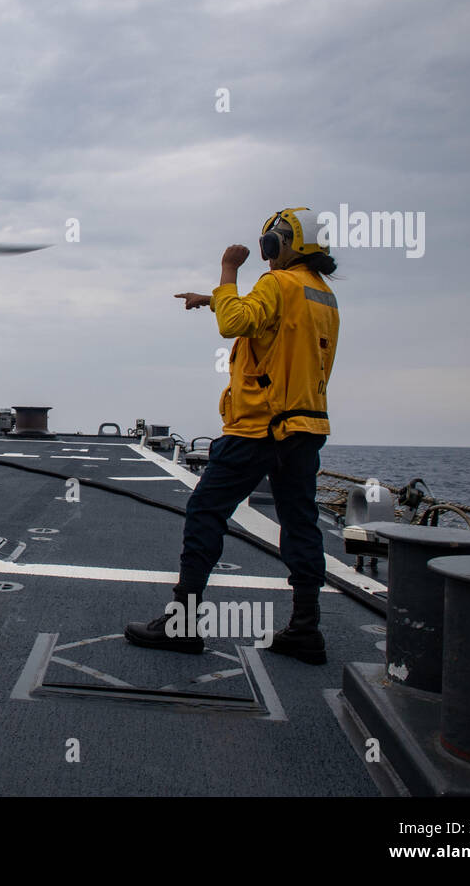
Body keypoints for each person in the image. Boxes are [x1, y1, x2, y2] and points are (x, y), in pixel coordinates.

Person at [125, 207, 340, 665]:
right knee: (301, 525)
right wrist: (213, 297)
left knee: (206, 511)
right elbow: (269, 325)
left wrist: (227, 271)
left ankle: (182, 624)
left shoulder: (276, 283)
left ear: (279, 244)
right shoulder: (320, 294)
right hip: (305, 429)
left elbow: (235, 325)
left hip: (260, 426)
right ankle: (306, 629)